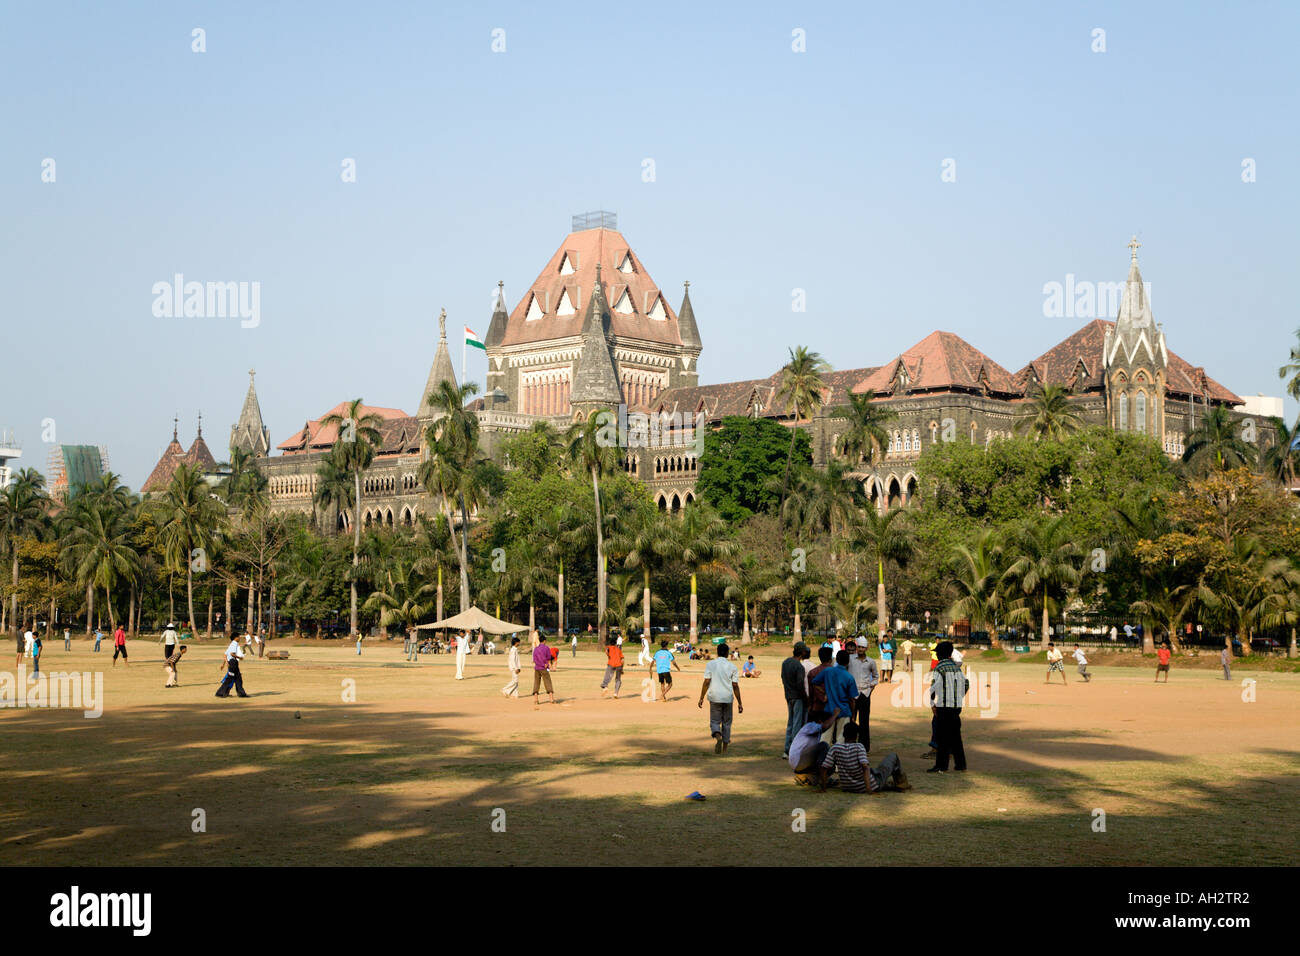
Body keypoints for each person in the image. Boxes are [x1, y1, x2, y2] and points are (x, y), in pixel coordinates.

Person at [818, 722, 912, 794]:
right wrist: (869, 790)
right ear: (856, 736)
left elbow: (824, 767)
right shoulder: (859, 747)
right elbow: (865, 767)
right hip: (869, 785)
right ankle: (901, 784)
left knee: (874, 771)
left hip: (847, 787)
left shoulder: (835, 748)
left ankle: (893, 784)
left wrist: (823, 788)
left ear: (843, 735)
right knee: (893, 756)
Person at [928, 641, 968, 773]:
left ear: (940, 654)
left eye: (937, 652)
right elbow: (966, 683)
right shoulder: (956, 667)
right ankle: (960, 764)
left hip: (944, 706)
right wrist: (959, 696)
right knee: (956, 736)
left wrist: (932, 703)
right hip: (956, 707)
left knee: (942, 736)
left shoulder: (940, 667)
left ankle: (941, 765)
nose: (937, 655)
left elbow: (934, 686)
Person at [698, 641, 742, 753]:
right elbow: (735, 685)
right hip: (727, 698)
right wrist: (740, 703)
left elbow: (706, 682)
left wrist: (701, 697)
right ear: (727, 653)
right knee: (727, 723)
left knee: (715, 721)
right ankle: (725, 749)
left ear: (717, 653)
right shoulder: (732, 667)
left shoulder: (710, 665)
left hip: (714, 697)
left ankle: (718, 737)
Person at [811, 650, 859, 746]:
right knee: (841, 738)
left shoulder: (828, 671)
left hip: (829, 708)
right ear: (848, 661)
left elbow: (814, 682)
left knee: (825, 738)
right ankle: (840, 758)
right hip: (844, 710)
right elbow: (852, 699)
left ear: (836, 659)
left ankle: (823, 757)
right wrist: (853, 715)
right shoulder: (849, 677)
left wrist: (824, 692)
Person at [788, 708, 839, 784]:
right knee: (823, 746)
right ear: (820, 720)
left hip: (799, 762)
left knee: (829, 761)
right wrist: (835, 715)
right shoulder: (810, 725)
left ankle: (806, 777)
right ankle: (822, 777)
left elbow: (825, 727)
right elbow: (825, 726)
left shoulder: (816, 731)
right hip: (799, 761)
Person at [847, 641, 880, 751]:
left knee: (864, 721)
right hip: (852, 694)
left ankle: (864, 747)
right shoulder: (850, 659)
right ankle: (850, 745)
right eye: (859, 647)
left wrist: (871, 687)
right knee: (851, 720)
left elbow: (876, 676)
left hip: (865, 694)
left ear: (867, 648)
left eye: (863, 647)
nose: (860, 649)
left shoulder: (871, 662)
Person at [781, 642, 810, 758]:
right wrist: (806, 699)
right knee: (797, 724)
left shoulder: (785, 662)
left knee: (790, 723)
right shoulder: (799, 666)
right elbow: (800, 685)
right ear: (802, 652)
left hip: (788, 696)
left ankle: (787, 749)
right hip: (798, 697)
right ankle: (794, 750)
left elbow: (782, 678)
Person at [806, 645, 833, 715]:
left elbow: (811, 692)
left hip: (817, 706)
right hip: (832, 707)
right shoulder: (837, 672)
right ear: (831, 658)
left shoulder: (813, 672)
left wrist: (810, 706)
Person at [531, 633, 555, 705]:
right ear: (544, 641)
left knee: (536, 683)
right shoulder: (546, 648)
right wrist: (548, 665)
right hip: (544, 668)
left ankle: (536, 700)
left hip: (537, 668)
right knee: (547, 682)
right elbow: (548, 658)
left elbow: (534, 659)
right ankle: (551, 699)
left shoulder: (536, 649)